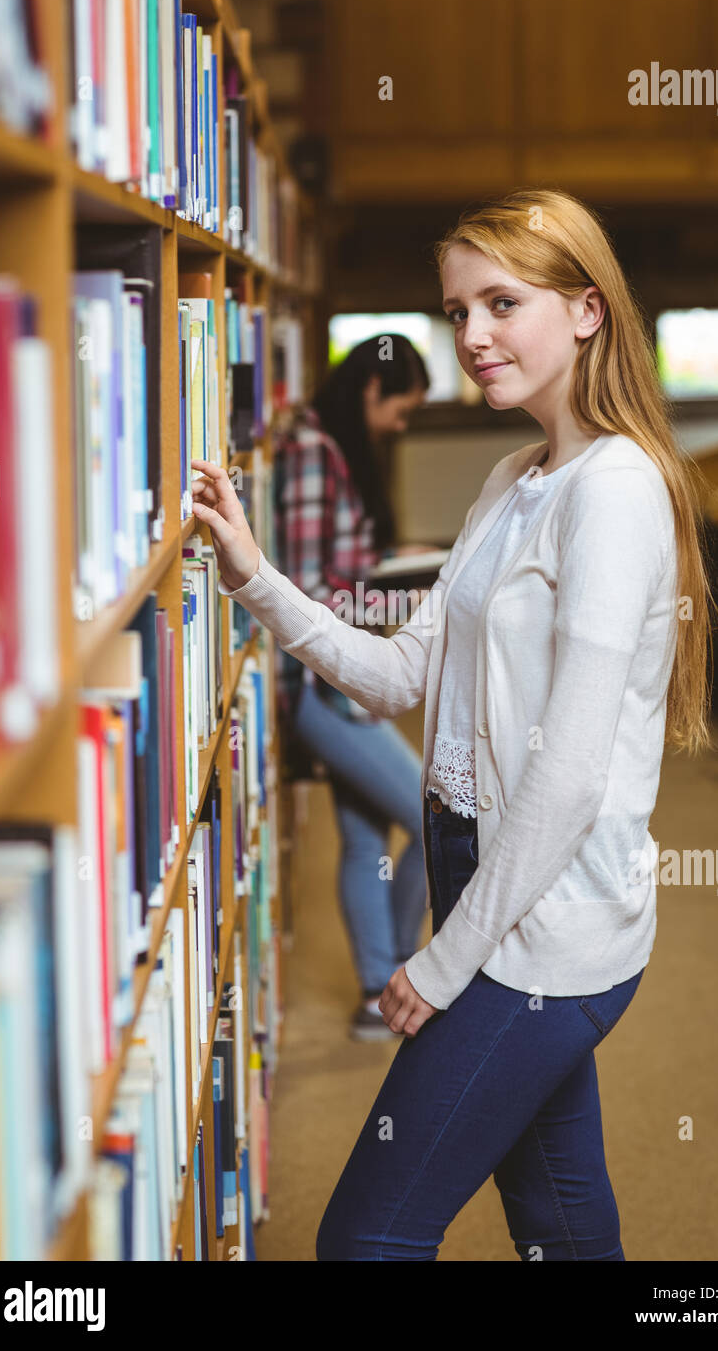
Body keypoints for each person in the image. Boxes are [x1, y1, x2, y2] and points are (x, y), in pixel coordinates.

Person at [191, 187, 718, 1261]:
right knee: (559, 1223)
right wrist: (254, 579)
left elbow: (566, 778)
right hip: (490, 887)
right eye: (454, 312)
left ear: (585, 311)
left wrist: (439, 962)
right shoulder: (511, 479)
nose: (471, 336)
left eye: (500, 303)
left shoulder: (613, 493)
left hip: (540, 925)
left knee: (365, 1238)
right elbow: (393, 674)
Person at [267, 335, 434, 1041]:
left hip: (337, 679)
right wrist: (386, 599)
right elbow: (302, 593)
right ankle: (401, 977)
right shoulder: (311, 450)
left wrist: (389, 572)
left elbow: (336, 565)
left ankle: (376, 995)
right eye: (402, 407)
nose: (401, 424)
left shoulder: (332, 448)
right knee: (437, 814)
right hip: (321, 686)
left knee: (366, 833)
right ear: (371, 388)